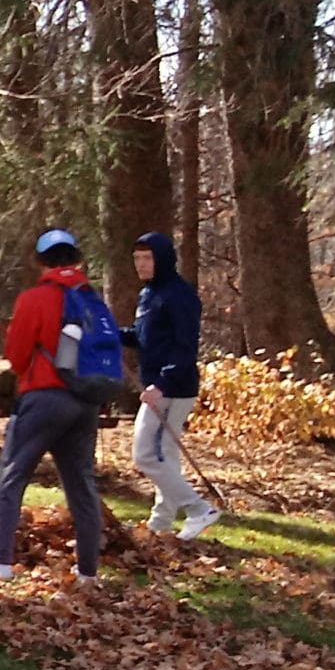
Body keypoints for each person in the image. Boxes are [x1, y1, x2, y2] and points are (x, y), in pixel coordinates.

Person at [0, 229, 106, 585]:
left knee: (12, 477)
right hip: (86, 401)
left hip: (43, 397)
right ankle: (87, 572)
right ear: (76, 258)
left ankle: (3, 564)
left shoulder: (34, 298)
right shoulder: (92, 300)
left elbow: (17, 355)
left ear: (41, 261)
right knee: (81, 485)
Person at [132, 231, 218, 539]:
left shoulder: (180, 295)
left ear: (163, 259)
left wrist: (162, 383)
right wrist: (107, 336)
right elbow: (144, 337)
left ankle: (198, 509)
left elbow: (185, 348)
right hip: (159, 385)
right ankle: (161, 523)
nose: (141, 265)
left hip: (173, 387)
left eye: (147, 258)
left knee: (144, 454)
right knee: (165, 456)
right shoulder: (148, 294)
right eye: (137, 258)